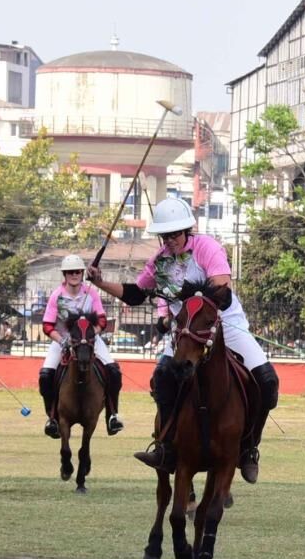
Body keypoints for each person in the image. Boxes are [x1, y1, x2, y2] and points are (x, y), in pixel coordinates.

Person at [87, 196, 279, 483]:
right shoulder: (159, 261)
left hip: (225, 326)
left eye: (175, 233)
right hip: (184, 333)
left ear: (187, 230)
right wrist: (100, 281)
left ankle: (249, 448)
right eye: (165, 235)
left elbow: (223, 291)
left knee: (267, 381)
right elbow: (137, 294)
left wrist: (193, 294)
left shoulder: (207, 247)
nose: (171, 240)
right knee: (162, 381)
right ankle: (165, 447)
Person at [38, 254, 123, 438]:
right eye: (70, 272)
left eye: (77, 271)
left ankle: (112, 415)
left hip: (90, 339)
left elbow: (101, 319)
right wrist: (62, 340)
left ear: (82, 273)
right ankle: (52, 417)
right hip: (64, 340)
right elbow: (47, 325)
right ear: (65, 275)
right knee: (45, 376)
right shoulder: (57, 296)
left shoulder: (91, 293)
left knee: (114, 371)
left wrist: (90, 336)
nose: (74, 275)